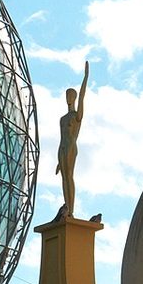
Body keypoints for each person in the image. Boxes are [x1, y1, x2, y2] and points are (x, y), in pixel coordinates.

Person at [56, 61, 89, 215]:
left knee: (69, 176)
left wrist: (85, 77)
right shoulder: (62, 119)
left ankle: (72, 209)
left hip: (71, 147)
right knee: (64, 179)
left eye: (71, 95)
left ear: (74, 98)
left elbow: (82, 97)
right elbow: (61, 137)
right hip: (61, 148)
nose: (68, 98)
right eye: (67, 95)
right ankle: (66, 207)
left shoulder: (76, 116)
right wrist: (58, 161)